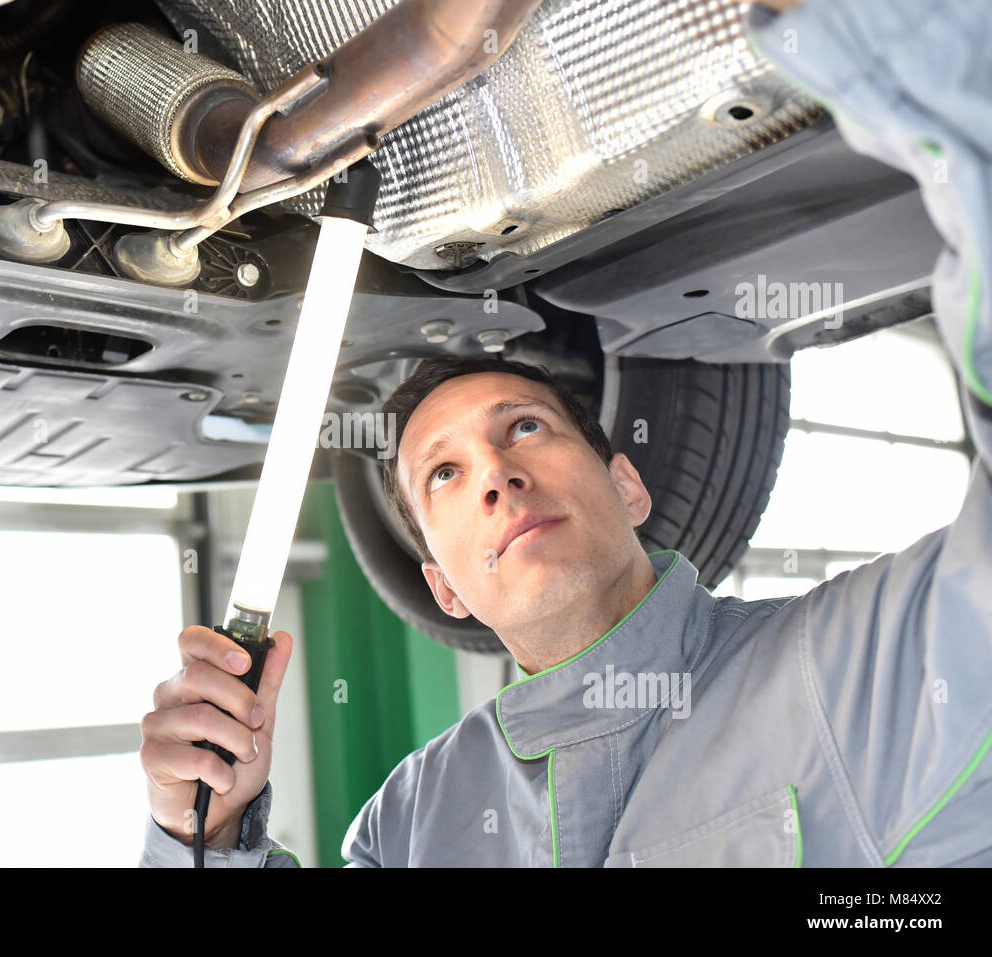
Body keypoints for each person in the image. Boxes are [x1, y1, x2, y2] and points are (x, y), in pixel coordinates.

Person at [138, 0, 992, 866]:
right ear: (445, 590)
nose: (496, 477)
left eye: (525, 427)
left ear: (628, 483)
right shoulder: (408, 820)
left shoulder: (848, 677)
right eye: (443, 475)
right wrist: (200, 834)